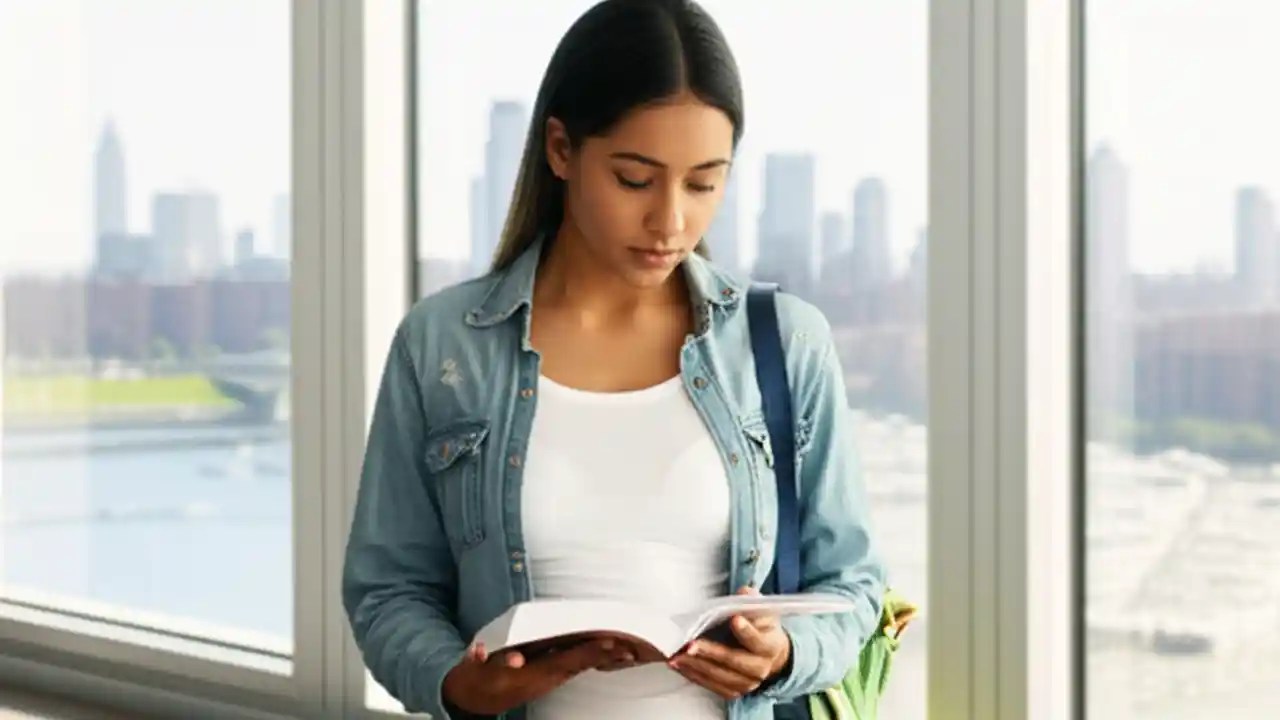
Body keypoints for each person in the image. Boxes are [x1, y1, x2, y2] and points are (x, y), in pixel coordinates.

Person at [342, 1, 885, 718]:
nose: (671, 222)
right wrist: (457, 683)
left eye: (703, 182)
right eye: (635, 179)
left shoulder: (785, 343)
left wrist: (785, 656)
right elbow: (388, 589)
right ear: (561, 150)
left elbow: (853, 587)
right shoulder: (444, 344)